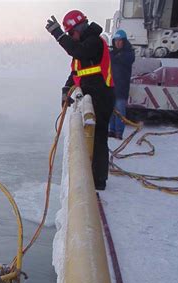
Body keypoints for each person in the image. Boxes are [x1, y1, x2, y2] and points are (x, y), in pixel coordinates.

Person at [46, 10, 115, 191]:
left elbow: (77, 51)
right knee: (94, 137)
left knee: (99, 138)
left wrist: (58, 34)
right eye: (68, 34)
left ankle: (99, 182)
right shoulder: (85, 45)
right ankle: (92, 173)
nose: (71, 37)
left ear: (80, 27)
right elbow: (76, 73)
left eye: (71, 33)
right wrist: (66, 89)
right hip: (94, 95)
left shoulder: (93, 42)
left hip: (102, 95)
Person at [109, 29, 135, 140]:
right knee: (111, 109)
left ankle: (119, 132)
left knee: (120, 110)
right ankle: (112, 130)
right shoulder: (112, 54)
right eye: (116, 41)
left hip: (122, 87)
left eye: (120, 41)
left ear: (124, 41)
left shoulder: (128, 54)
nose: (117, 43)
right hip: (112, 86)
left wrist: (113, 56)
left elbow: (122, 59)